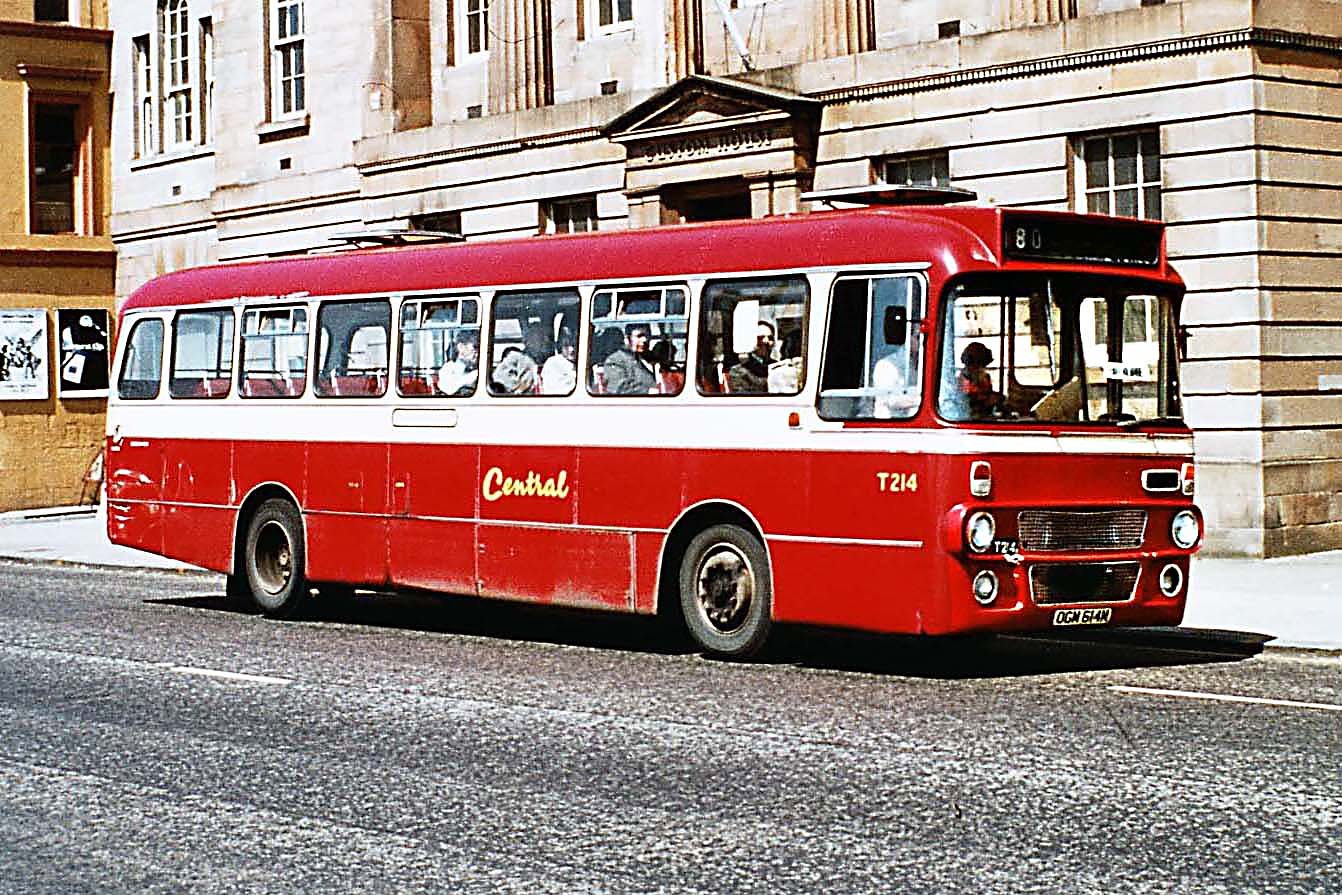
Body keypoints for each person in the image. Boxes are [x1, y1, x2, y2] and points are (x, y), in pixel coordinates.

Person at [603, 324, 657, 395]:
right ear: (627, 339)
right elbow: (618, 387)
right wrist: (648, 391)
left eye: (647, 336)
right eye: (639, 336)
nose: (645, 340)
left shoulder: (648, 358)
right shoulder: (615, 360)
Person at [958, 341, 1004, 418]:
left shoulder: (985, 376)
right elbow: (968, 400)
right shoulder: (964, 379)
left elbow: (988, 393)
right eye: (979, 364)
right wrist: (988, 400)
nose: (982, 368)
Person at [728, 321, 775, 393]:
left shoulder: (777, 366)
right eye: (760, 337)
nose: (766, 341)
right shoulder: (738, 371)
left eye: (770, 338)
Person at [436, 330, 479, 396]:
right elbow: (448, 389)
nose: (477, 355)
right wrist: (469, 378)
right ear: (461, 347)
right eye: (474, 349)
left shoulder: (477, 367)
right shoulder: (448, 368)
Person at [540, 329, 577, 395]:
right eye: (566, 345)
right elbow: (554, 391)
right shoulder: (553, 363)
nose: (571, 349)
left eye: (574, 345)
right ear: (560, 346)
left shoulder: (583, 362)